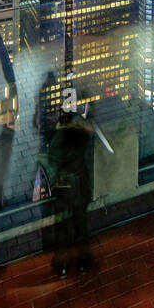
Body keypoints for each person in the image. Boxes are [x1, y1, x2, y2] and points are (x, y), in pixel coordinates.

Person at [46, 108, 95, 277]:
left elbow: (51, 161)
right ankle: (83, 263)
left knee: (61, 228)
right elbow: (88, 163)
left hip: (63, 190)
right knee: (81, 226)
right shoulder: (84, 138)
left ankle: (62, 265)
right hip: (80, 188)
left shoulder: (59, 139)